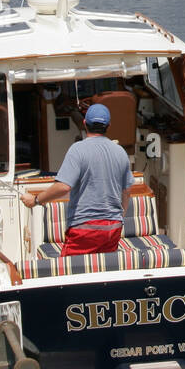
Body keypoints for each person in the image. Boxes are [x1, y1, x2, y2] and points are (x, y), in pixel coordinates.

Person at [20, 103, 132, 255]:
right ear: (109, 126)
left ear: (85, 123)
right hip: (113, 228)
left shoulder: (77, 149)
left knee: (69, 268)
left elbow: (63, 187)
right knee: (103, 267)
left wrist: (35, 200)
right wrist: (118, 219)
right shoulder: (120, 152)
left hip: (84, 228)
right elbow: (126, 191)